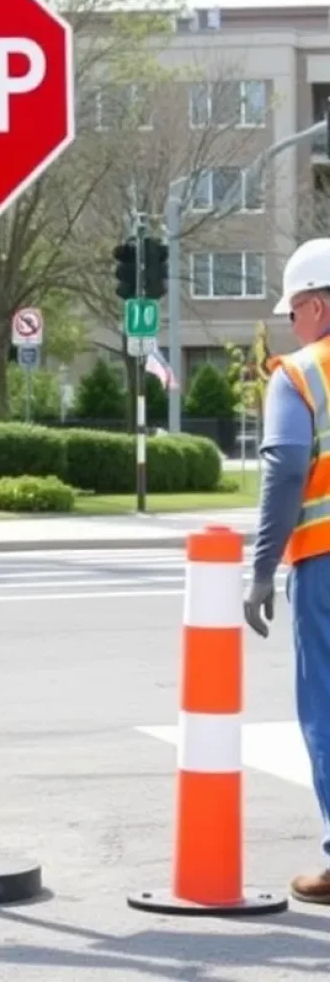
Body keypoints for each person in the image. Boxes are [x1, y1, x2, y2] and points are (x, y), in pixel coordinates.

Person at [244, 236, 330, 903]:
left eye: (295, 309)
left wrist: (262, 567)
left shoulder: (300, 373)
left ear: (321, 308)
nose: (290, 323)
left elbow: (285, 471)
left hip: (325, 564)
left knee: (326, 709)